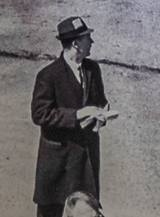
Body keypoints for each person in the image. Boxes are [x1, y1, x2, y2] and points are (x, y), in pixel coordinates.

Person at [34, 17, 113, 217]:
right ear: (76, 43)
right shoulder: (48, 75)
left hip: (85, 160)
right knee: (52, 211)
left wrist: (102, 114)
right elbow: (40, 114)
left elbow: (100, 100)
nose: (92, 42)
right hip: (58, 164)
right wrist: (77, 115)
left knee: (86, 211)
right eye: (88, 38)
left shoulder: (92, 70)